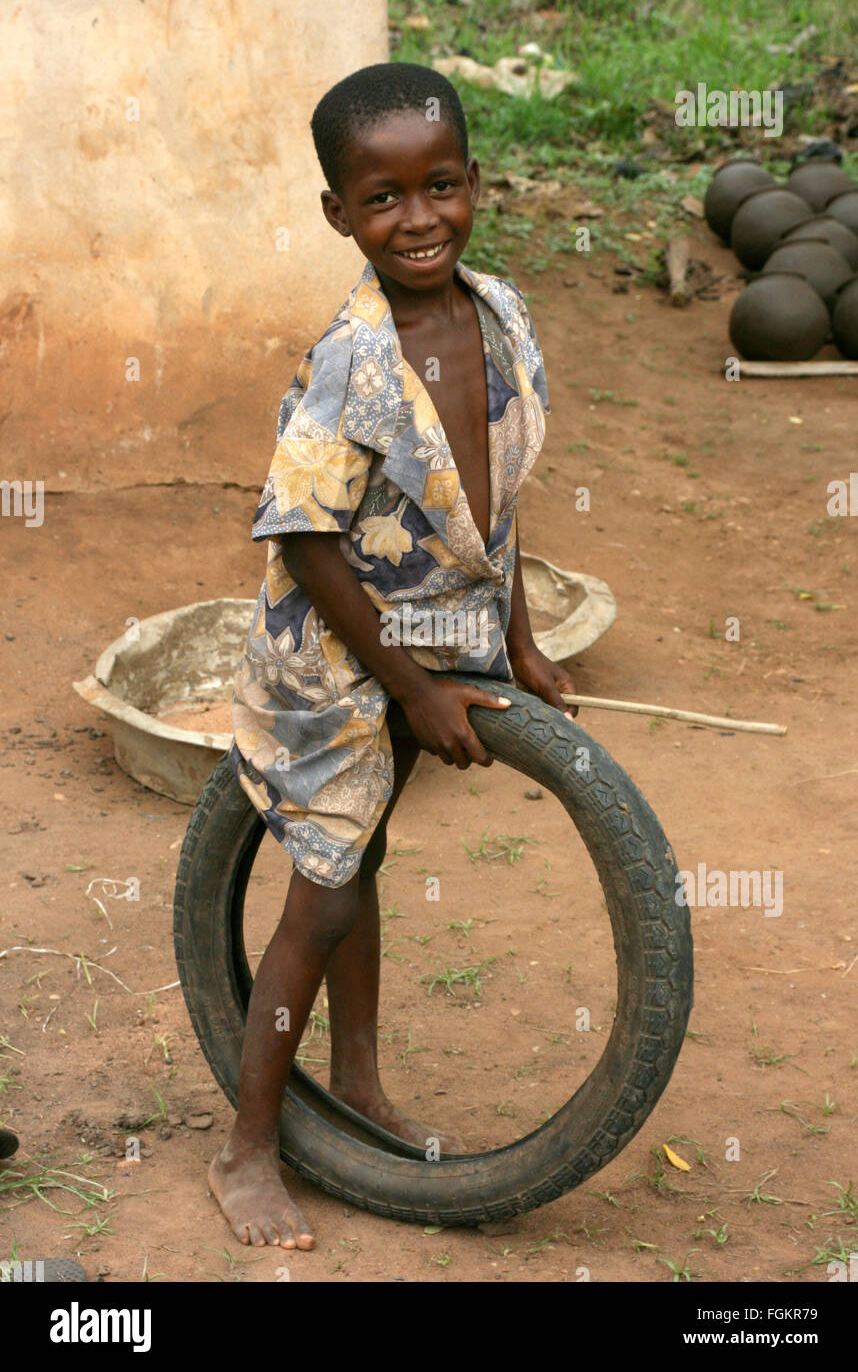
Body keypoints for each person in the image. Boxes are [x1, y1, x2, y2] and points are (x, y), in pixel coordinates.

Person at [211, 62, 577, 1250]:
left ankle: (358, 1084)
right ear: (338, 214)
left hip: (434, 638)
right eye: (382, 199)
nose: (418, 219)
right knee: (321, 898)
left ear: (474, 184)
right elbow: (307, 542)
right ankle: (248, 1147)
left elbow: (500, 500)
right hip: (334, 661)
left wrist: (517, 644)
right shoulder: (350, 362)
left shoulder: (502, 315)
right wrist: (412, 688)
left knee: (361, 860)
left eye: (442, 186)